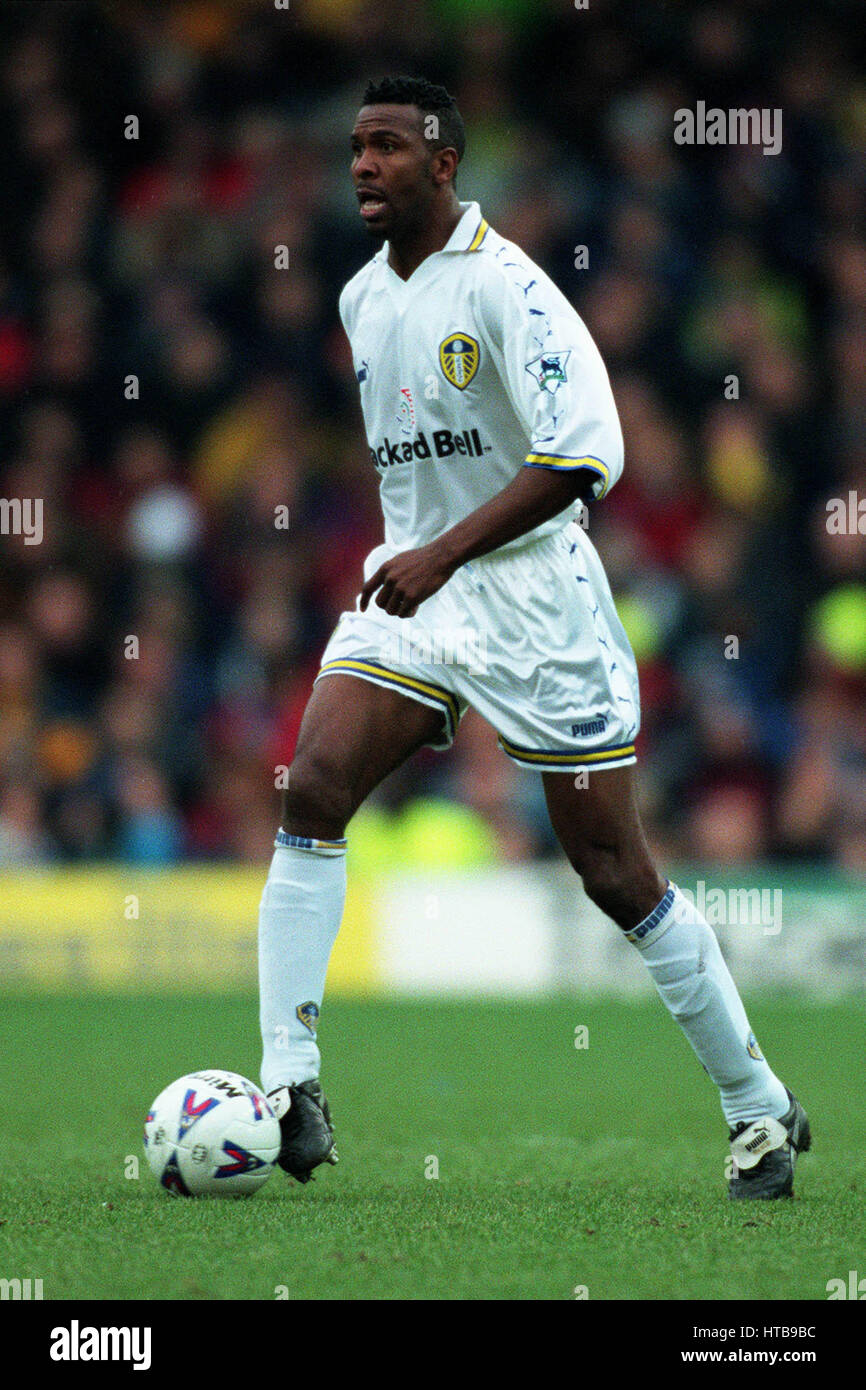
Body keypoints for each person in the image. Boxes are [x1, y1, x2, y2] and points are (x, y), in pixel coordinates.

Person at [257, 76, 810, 1200]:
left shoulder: (512, 289)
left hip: (533, 604)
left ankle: (755, 1107)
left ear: (444, 162)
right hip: (413, 597)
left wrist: (442, 553)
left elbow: (581, 460)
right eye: (354, 147)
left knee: (612, 868)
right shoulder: (362, 298)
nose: (362, 165)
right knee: (310, 787)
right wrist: (418, 560)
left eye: (387, 147)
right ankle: (289, 1083)